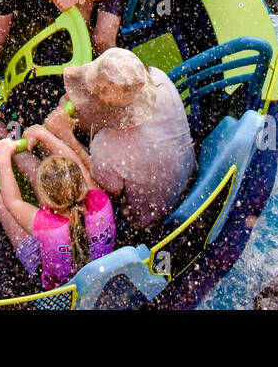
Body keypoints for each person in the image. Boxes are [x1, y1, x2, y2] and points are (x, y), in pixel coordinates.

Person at [43, 46, 194, 235]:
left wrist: (67, 138)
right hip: (187, 182)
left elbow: (107, 191)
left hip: (147, 220)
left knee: (53, 149)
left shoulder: (108, 148)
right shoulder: (158, 78)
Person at [0, 126, 115, 290]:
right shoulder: (101, 202)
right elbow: (78, 165)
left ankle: (2, 135)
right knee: (33, 171)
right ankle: (7, 139)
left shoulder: (46, 227)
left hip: (59, 288)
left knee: (0, 201)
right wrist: (45, 136)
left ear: (45, 203)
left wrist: (2, 158)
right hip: (96, 276)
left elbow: (11, 202)